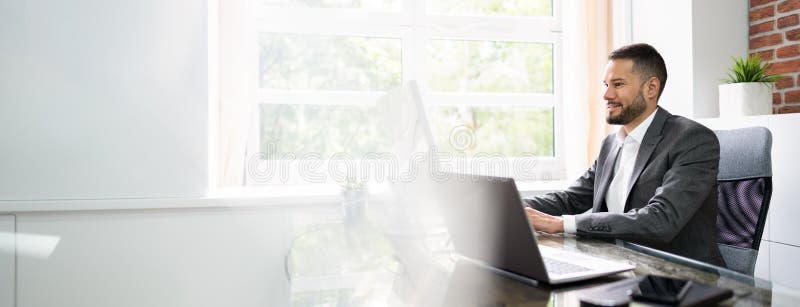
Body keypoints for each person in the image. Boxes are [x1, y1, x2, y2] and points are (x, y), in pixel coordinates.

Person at [524, 43, 724, 266]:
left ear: (651, 88)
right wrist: (513, 206)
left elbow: (661, 220)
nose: (606, 95)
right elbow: (572, 199)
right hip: (618, 265)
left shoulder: (692, 139)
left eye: (618, 84)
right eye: (606, 85)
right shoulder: (611, 143)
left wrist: (562, 224)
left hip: (680, 279)